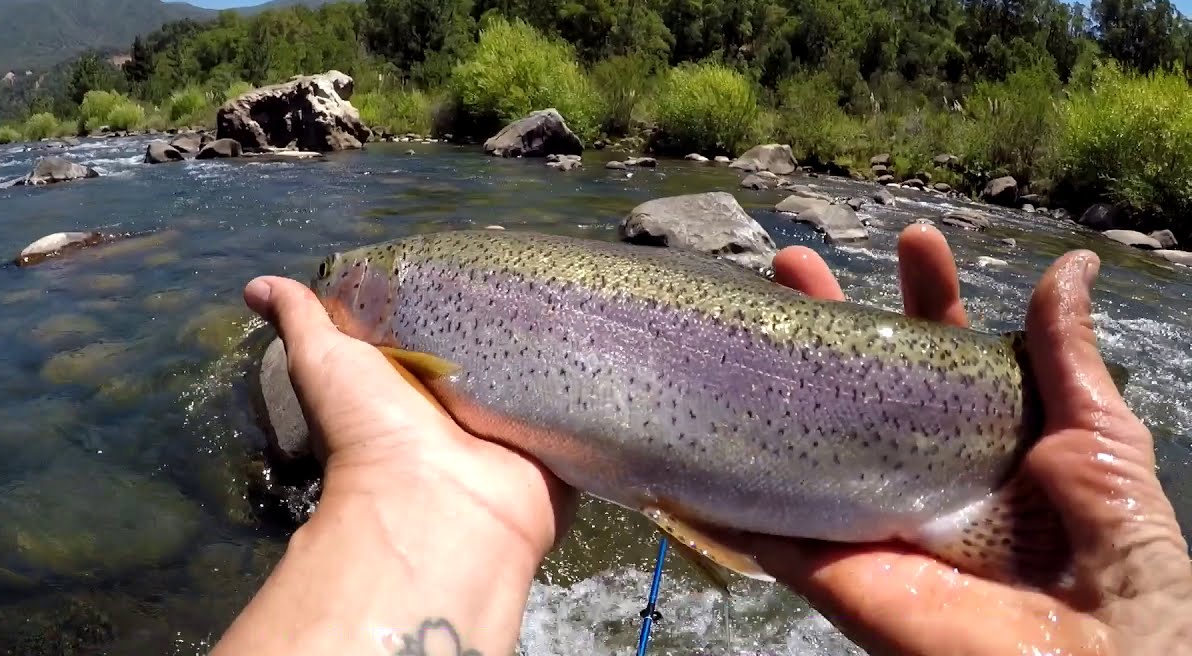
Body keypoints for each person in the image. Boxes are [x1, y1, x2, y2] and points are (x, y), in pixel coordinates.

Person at [211, 224, 1192, 656]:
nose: (330, 288)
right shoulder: (416, 284)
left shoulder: (397, 289)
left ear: (366, 286)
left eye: (333, 277)